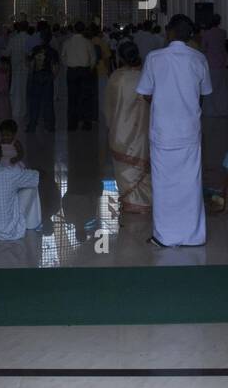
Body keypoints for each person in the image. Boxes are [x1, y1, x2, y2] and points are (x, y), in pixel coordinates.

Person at [137, 13, 212, 247]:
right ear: (190, 35)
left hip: (163, 130)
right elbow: (203, 95)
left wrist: (161, 104)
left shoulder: (154, 58)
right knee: (191, 182)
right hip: (189, 129)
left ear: (169, 32)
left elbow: (145, 92)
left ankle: (164, 235)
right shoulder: (198, 59)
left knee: (162, 183)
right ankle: (193, 235)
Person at [106, 40, 151, 213]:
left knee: (124, 168)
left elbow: (109, 105)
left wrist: (111, 124)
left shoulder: (117, 77)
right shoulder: (146, 76)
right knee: (143, 167)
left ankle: (131, 202)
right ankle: (144, 202)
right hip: (142, 131)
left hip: (120, 131)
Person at [61, 19, 97, 130]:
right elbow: (93, 58)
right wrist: (89, 68)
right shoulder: (88, 42)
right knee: (86, 97)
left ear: (74, 29)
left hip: (72, 71)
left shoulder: (67, 42)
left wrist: (68, 65)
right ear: (83, 30)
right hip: (84, 71)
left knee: (72, 98)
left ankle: (72, 124)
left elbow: (63, 57)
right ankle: (86, 123)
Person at [26, 27, 59, 132]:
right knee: (48, 102)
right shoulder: (53, 51)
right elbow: (55, 67)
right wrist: (53, 76)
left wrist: (32, 73)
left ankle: (32, 125)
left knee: (34, 102)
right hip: (48, 76)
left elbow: (30, 64)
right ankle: (49, 126)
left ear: (41, 38)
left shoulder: (35, 49)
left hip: (36, 76)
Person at [201, 14, 228, 117]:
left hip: (210, 64)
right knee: (222, 89)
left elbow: (203, 48)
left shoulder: (207, 34)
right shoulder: (223, 33)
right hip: (222, 63)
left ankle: (210, 111)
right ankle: (223, 110)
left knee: (210, 88)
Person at [7, 19, 29, 122]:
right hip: (27, 68)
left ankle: (16, 111)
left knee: (16, 91)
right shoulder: (30, 39)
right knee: (26, 90)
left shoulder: (13, 39)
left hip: (16, 68)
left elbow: (7, 53)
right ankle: (26, 111)